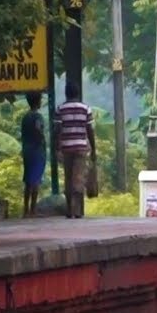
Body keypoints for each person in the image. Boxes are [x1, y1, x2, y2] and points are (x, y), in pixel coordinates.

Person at [56, 81, 95, 219]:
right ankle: (77, 210)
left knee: (68, 178)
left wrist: (57, 148)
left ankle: (69, 209)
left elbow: (58, 130)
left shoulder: (60, 109)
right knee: (78, 178)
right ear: (78, 93)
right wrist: (94, 149)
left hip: (66, 147)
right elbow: (90, 130)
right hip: (80, 147)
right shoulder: (85, 108)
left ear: (66, 94)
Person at [20, 92, 46, 217]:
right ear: (37, 101)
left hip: (27, 150)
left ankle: (25, 210)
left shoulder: (25, 117)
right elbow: (38, 128)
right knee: (36, 180)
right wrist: (42, 137)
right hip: (37, 150)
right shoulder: (37, 116)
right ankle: (33, 210)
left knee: (28, 180)